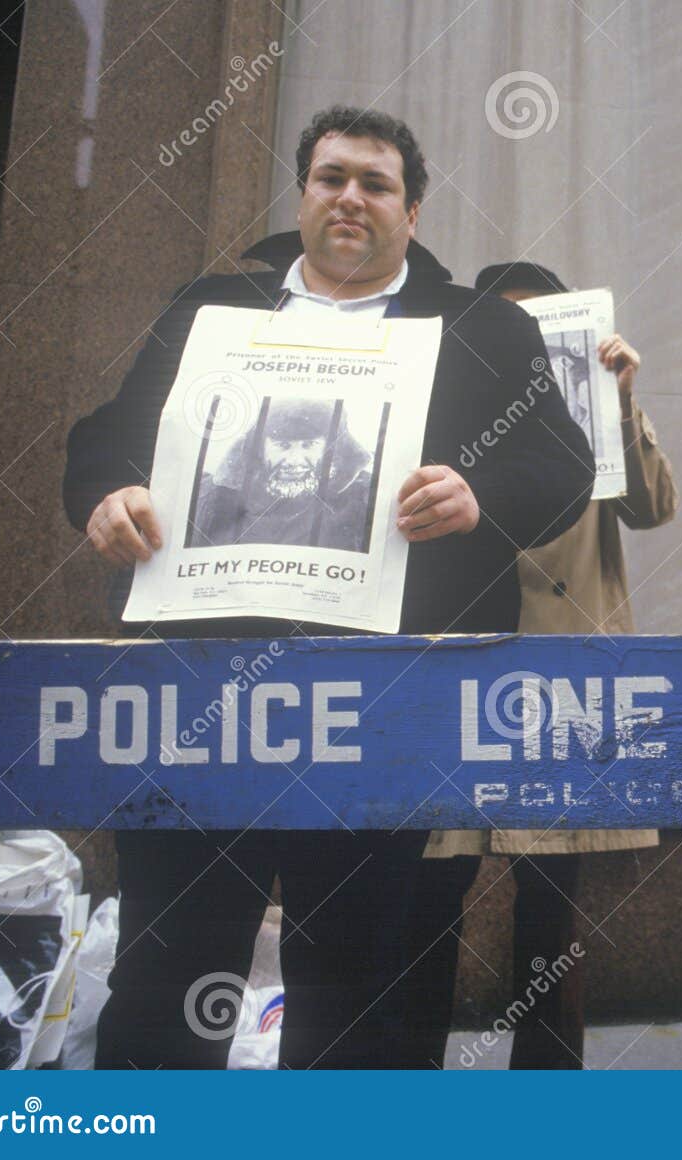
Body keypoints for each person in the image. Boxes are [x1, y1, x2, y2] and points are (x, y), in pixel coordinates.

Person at [61, 106, 595, 1068]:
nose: (351, 196)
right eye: (330, 177)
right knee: (165, 973)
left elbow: (561, 465)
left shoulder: (481, 329)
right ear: (304, 194)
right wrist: (107, 497)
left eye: (376, 183)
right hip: (203, 701)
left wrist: (482, 492)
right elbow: (104, 440)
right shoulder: (209, 312)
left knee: (369, 992)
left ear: (414, 212)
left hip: (384, 711)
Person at [403, 261, 678, 1069]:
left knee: (553, 900)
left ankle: (547, 1089)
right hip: (461, 667)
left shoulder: (590, 414)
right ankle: (408, 1079)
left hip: (565, 673)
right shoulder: (452, 408)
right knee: (430, 890)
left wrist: (622, 399)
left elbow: (655, 506)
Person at [189, 397, 375, 552]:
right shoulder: (212, 497)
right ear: (261, 447)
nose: (294, 460)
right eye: (282, 446)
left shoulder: (365, 497)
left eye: (309, 445)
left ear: (329, 448)